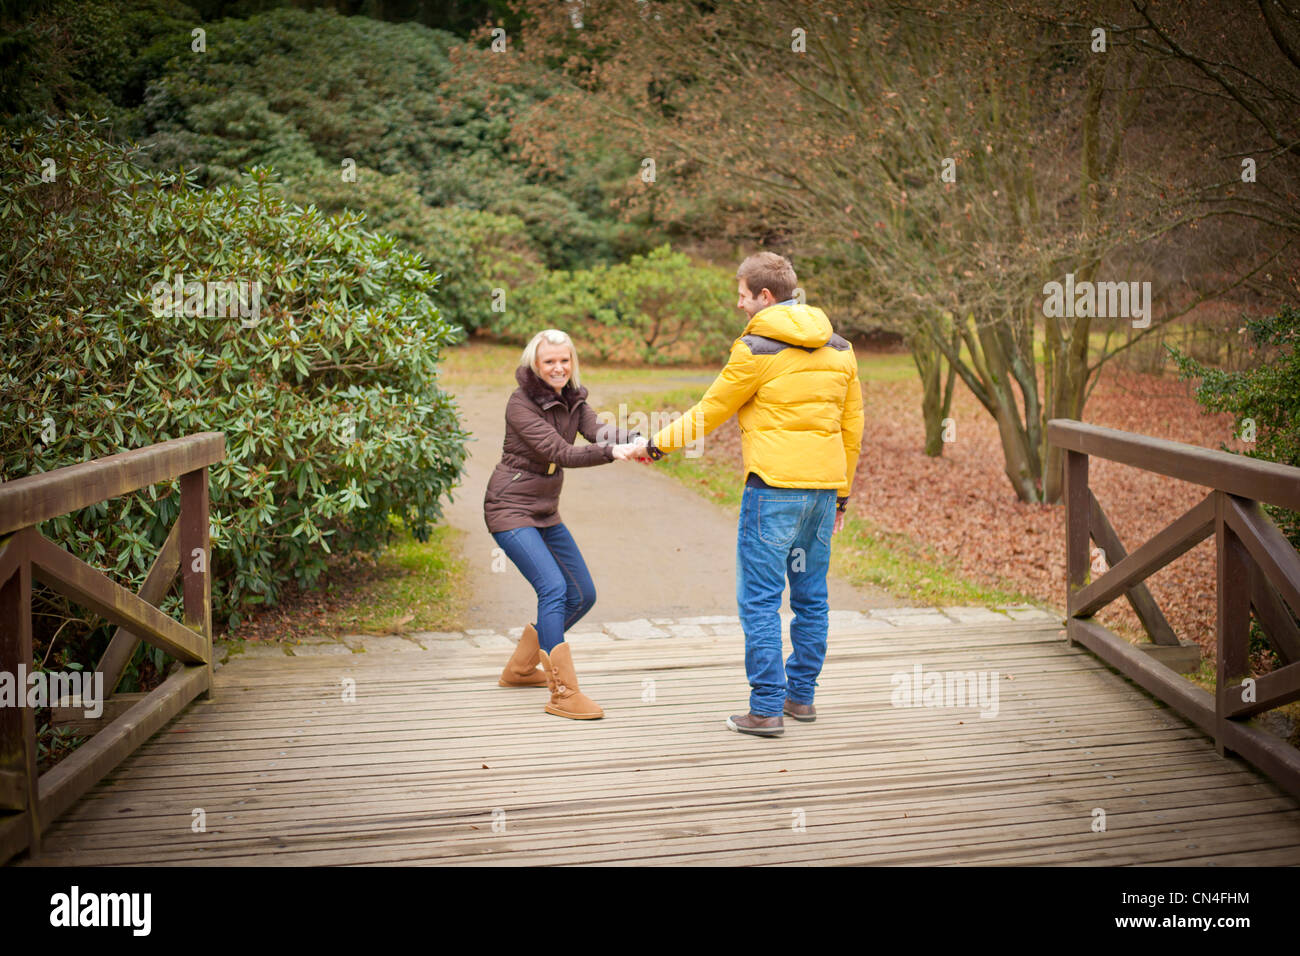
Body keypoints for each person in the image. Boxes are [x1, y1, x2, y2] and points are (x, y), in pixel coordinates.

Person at [637, 253, 863, 737]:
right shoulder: (841, 348)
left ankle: (765, 709)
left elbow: (709, 411)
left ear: (765, 296)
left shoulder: (756, 349)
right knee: (811, 599)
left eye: (742, 294)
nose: (737, 303)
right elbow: (851, 428)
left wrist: (656, 446)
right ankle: (800, 699)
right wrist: (841, 494)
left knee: (760, 601)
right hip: (822, 493)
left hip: (773, 492)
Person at [483, 329, 643, 721]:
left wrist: (639, 440)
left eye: (564, 360)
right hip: (509, 507)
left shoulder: (573, 399)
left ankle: (521, 668)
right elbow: (560, 451)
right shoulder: (520, 403)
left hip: (544, 510)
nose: (558, 367)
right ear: (535, 366)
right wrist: (611, 452)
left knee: (582, 594)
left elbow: (598, 431)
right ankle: (563, 693)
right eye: (549, 361)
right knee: (553, 588)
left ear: (572, 362)